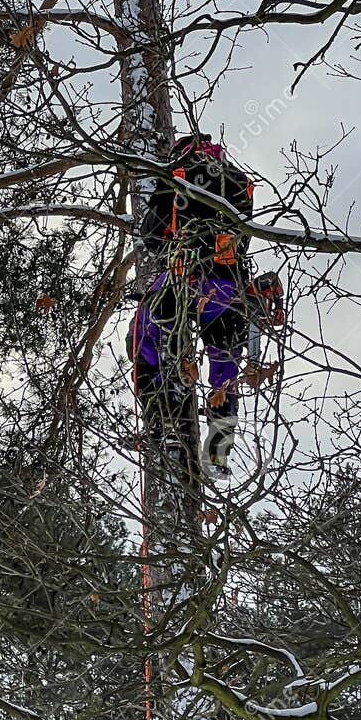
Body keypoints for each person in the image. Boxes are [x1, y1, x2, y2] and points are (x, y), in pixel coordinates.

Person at [129, 133, 279, 488]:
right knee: (225, 365)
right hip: (227, 285)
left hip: (182, 280)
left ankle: (163, 420)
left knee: (145, 339)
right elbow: (243, 237)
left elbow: (153, 236)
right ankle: (217, 451)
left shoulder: (176, 174)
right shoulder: (238, 183)